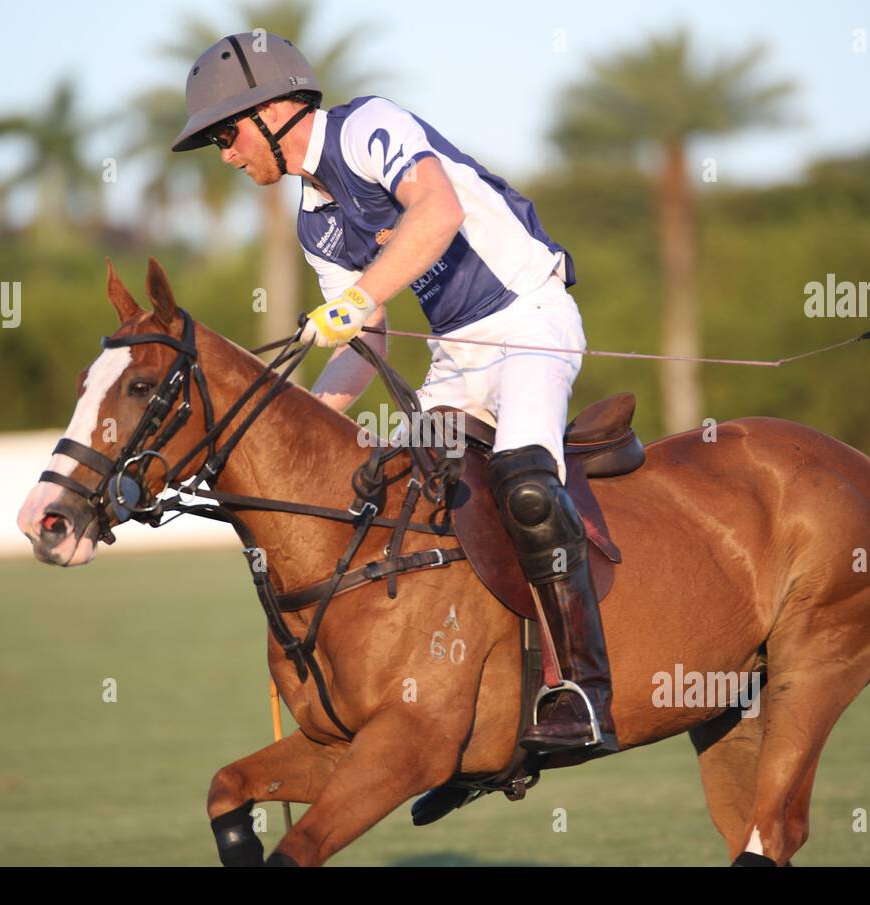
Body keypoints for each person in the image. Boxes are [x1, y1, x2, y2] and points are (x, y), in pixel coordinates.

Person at [172, 32, 616, 757]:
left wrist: (358, 299)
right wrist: (294, 425)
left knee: (528, 487)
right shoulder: (317, 219)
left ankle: (583, 694)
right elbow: (366, 339)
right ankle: (461, 708)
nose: (226, 151)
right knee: (399, 494)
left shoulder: (369, 128)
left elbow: (436, 211)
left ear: (279, 110)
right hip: (455, 358)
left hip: (531, 320)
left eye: (229, 131)